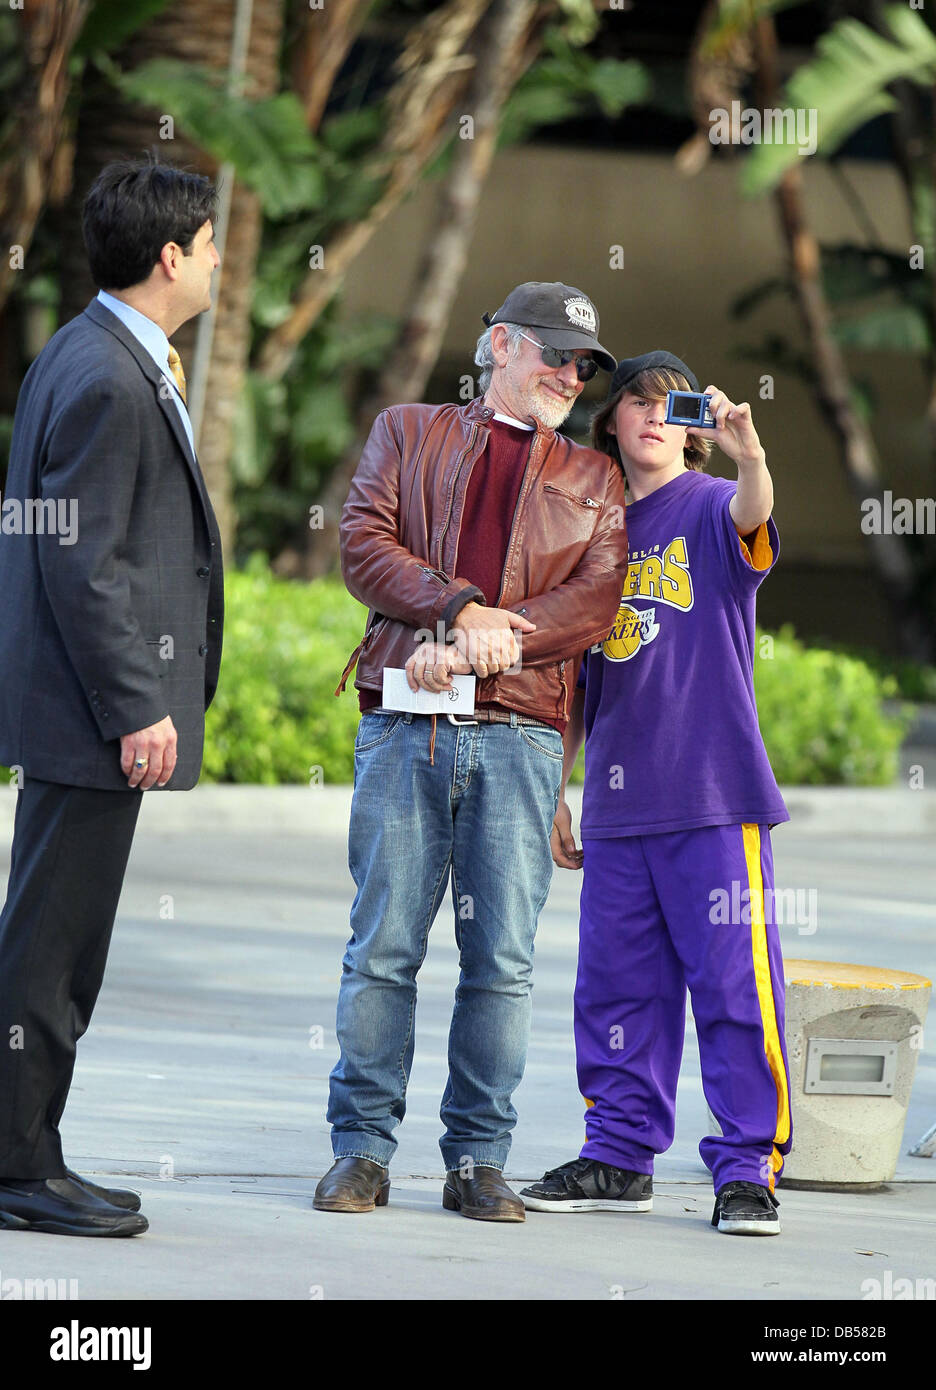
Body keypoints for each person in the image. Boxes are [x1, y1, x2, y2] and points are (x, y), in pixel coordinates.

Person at [317, 282, 630, 1221]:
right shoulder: (406, 431)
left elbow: (596, 599)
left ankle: (478, 1161)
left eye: (584, 367)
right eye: (555, 355)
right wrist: (459, 608)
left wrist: (499, 634)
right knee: (382, 950)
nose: (571, 377)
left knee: (501, 960)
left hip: (525, 734)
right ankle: (362, 1152)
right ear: (500, 344)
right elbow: (362, 545)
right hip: (405, 724)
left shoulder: (596, 477)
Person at [0, 157, 224, 1237]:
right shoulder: (105, 372)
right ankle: (16, 1169)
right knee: (49, 950)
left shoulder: (97, 352)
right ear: (171, 256)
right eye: (214, 243)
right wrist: (138, 703)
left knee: (59, 945)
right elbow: (82, 562)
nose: (223, 260)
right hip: (92, 715)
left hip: (79, 711)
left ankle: (33, 1153)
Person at [520, 350, 792, 1235]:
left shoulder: (715, 507)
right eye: (633, 403)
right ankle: (618, 1155)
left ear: (692, 429)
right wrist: (559, 786)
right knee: (614, 990)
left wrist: (748, 453)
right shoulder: (590, 532)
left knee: (734, 989)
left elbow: (756, 515)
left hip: (714, 795)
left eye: (667, 406)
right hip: (620, 805)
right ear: (609, 424)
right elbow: (572, 676)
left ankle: (747, 1168)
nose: (649, 417)